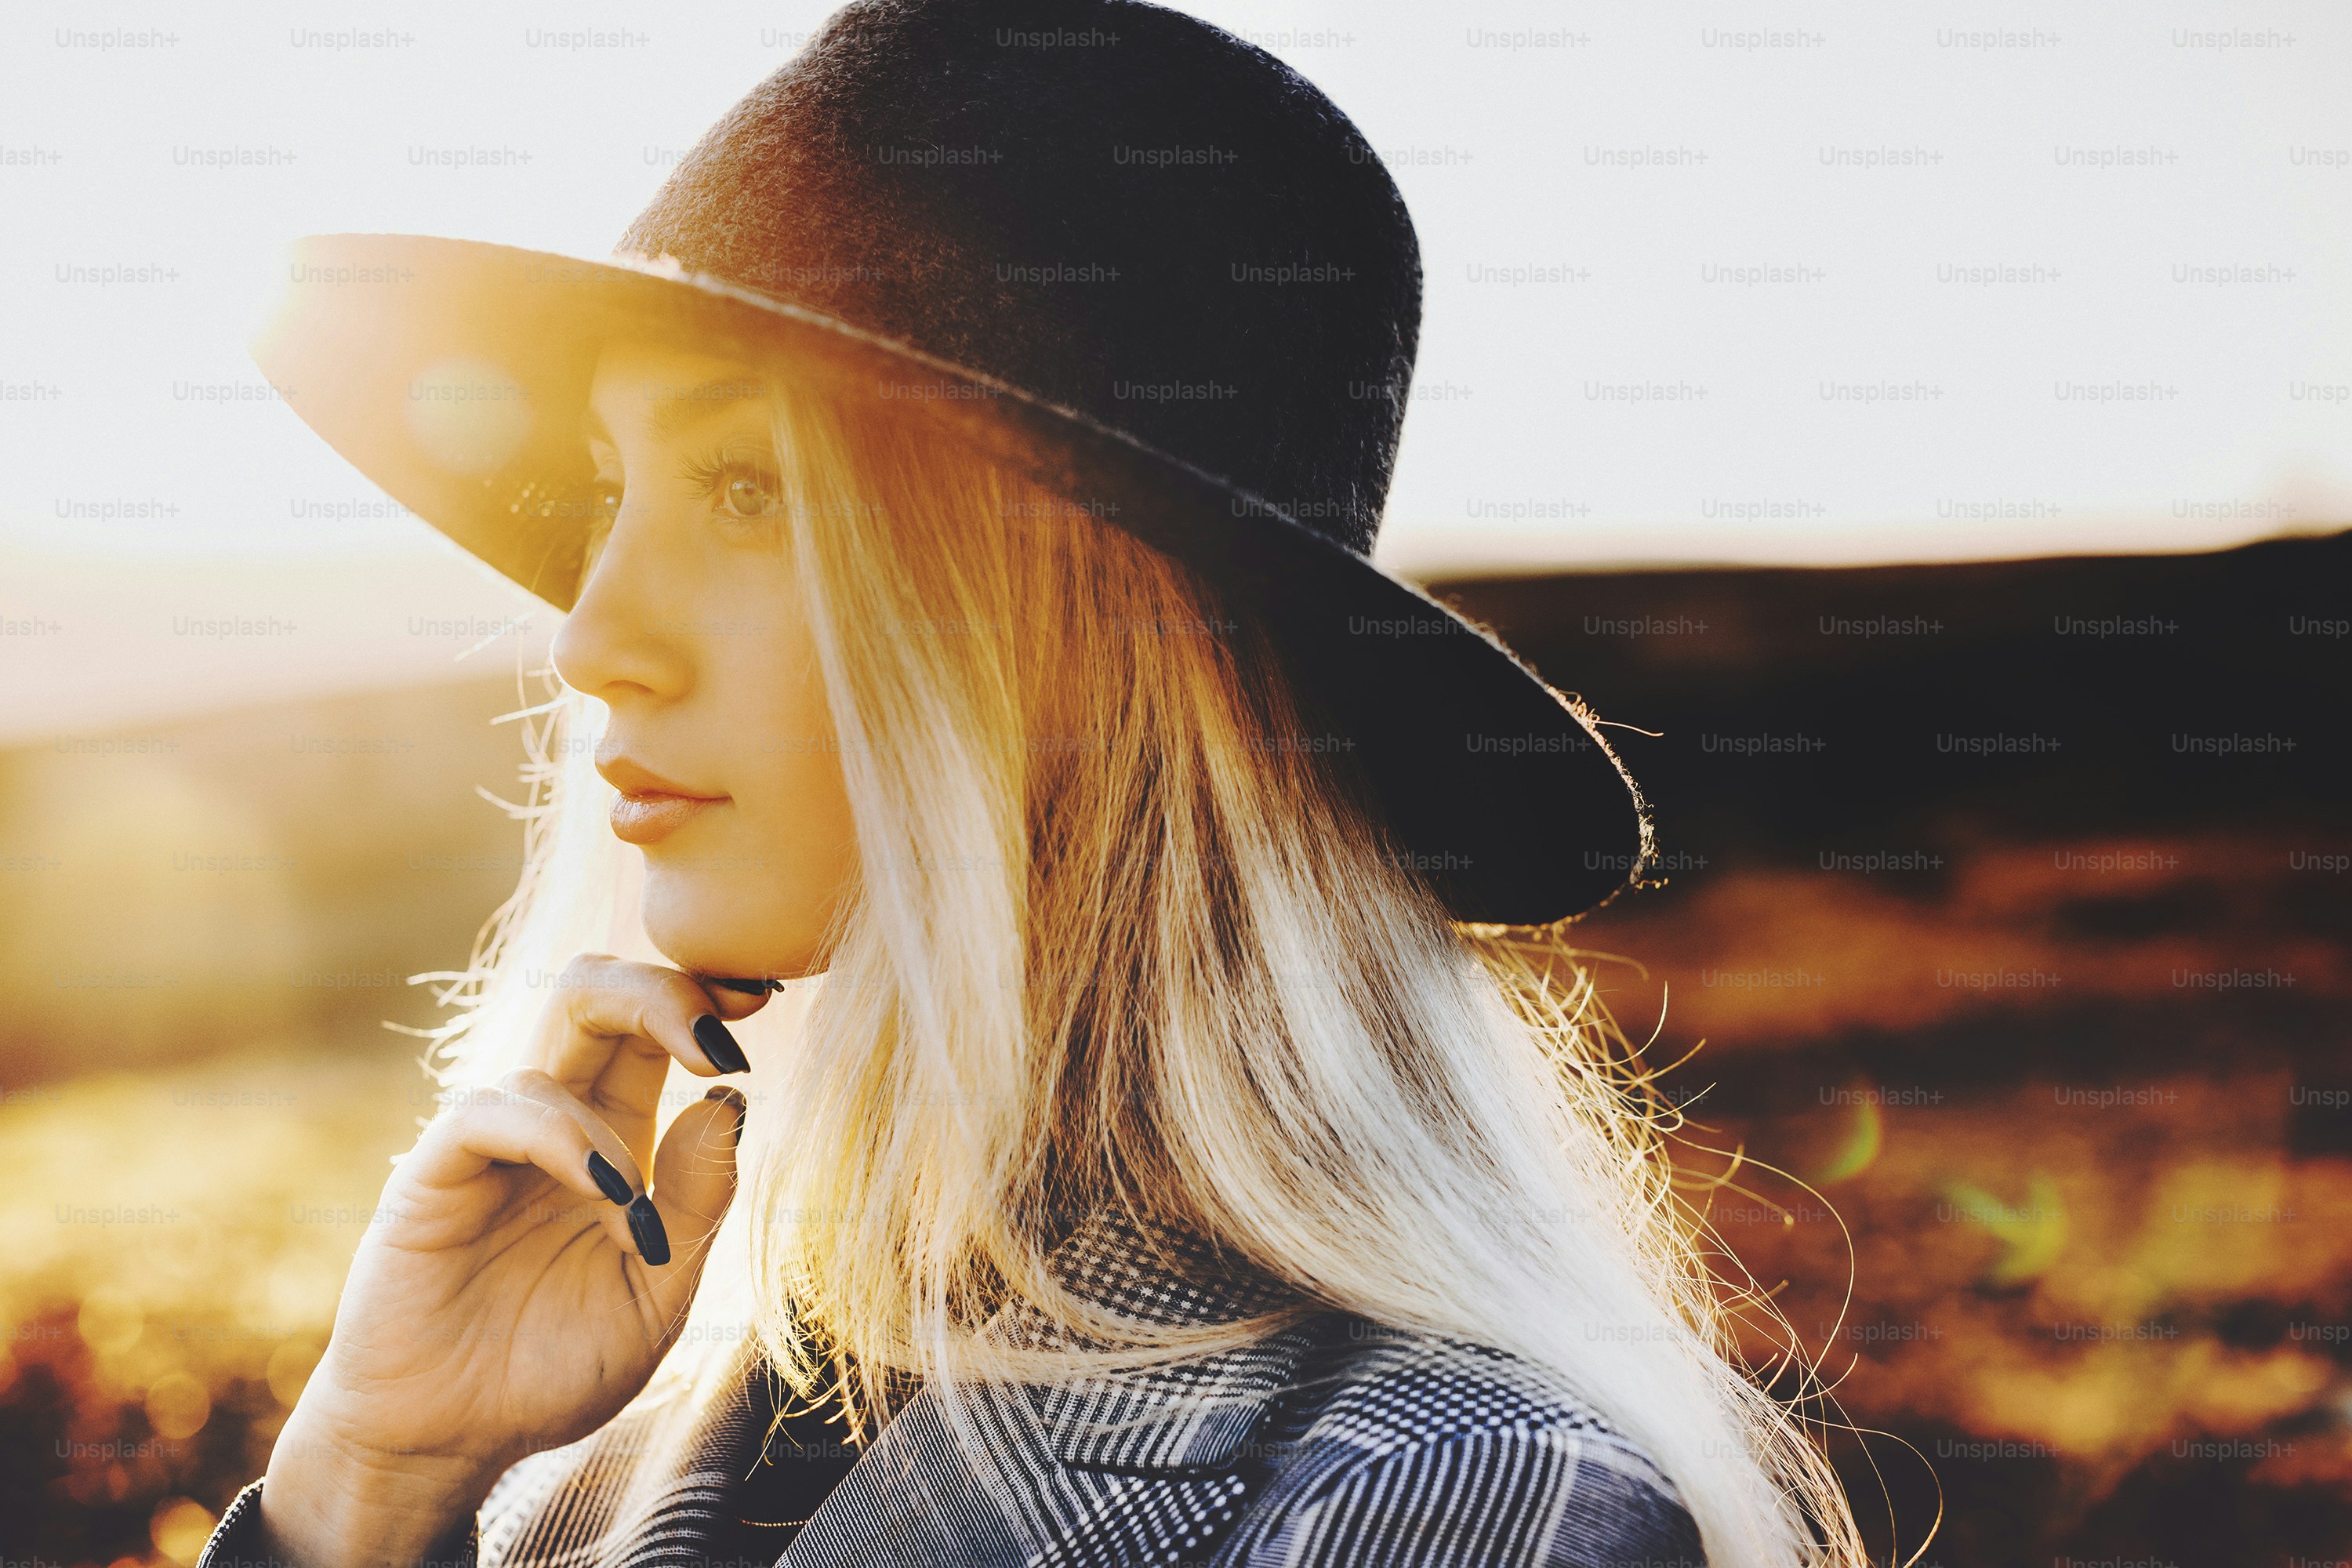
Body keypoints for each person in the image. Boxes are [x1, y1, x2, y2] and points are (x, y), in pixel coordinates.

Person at [203, 2, 1864, 1563]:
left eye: (745, 488)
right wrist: (370, 1481)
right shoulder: (622, 1443)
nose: (591, 637)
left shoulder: (1443, 1500)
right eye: (606, 488)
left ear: (1091, 624)